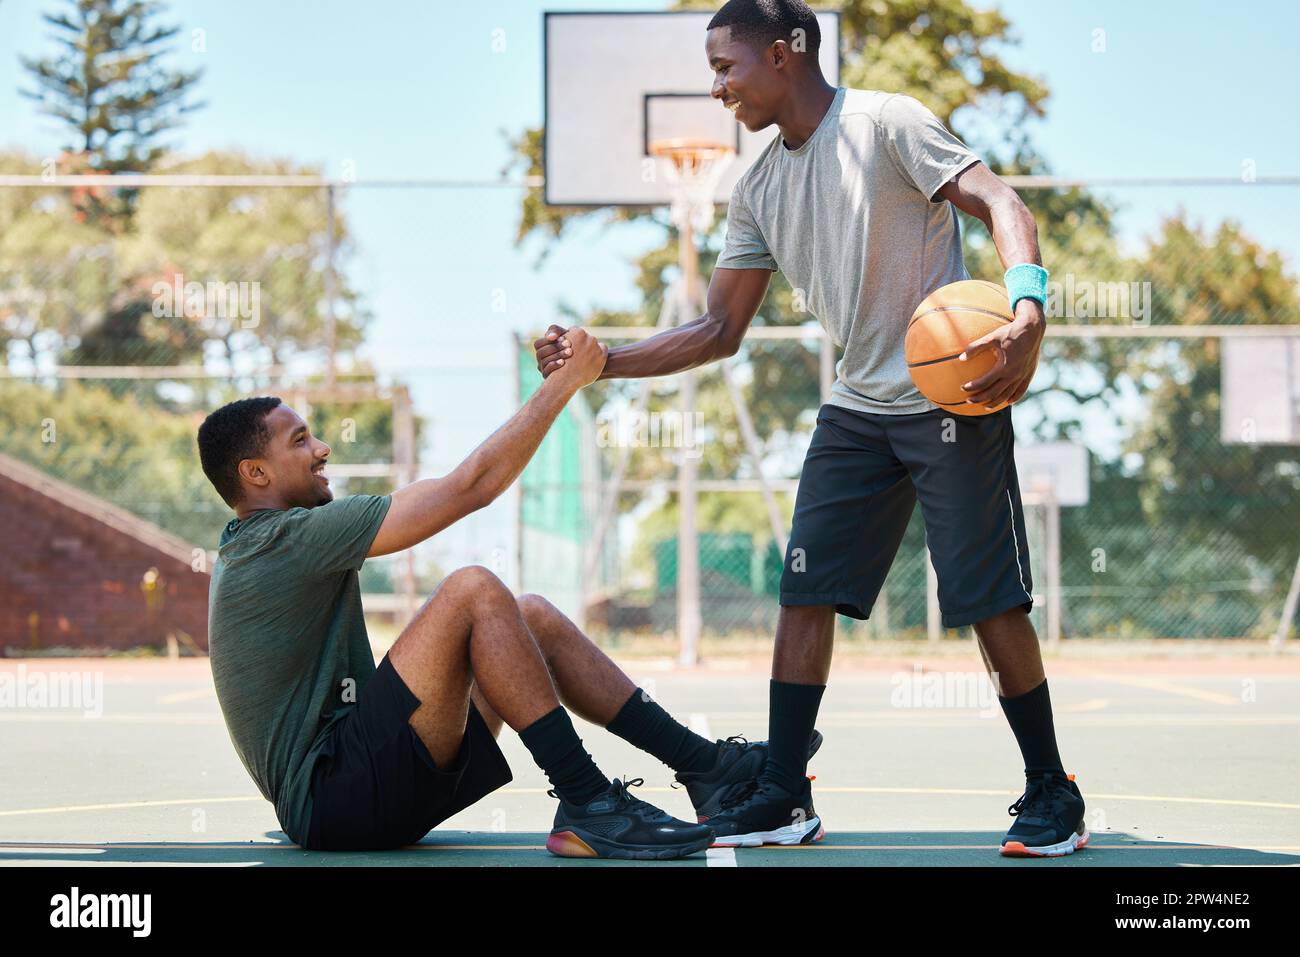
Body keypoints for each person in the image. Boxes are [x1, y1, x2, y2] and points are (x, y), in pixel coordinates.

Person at [533, 0, 1086, 857]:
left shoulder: (887, 124)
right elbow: (718, 330)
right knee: (803, 590)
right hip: (859, 406)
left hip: (951, 395)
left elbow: (1000, 199)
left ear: (786, 52)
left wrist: (1028, 309)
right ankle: (784, 792)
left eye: (727, 67)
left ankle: (1051, 787)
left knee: (984, 598)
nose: (717, 88)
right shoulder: (757, 187)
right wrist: (603, 362)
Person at [197, 328, 815, 859]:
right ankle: (588, 800)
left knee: (531, 617)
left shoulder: (267, 541)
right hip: (336, 799)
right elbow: (470, 487)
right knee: (472, 590)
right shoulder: (279, 540)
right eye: (300, 441)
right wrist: (562, 385)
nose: (322, 448)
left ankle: (704, 767)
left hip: (365, 787)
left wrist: (564, 380)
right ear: (255, 473)